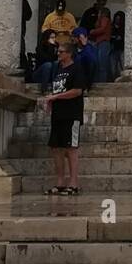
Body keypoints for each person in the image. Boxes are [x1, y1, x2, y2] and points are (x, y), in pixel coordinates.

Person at [43, 40, 87, 195]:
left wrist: (56, 97)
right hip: (58, 114)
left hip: (72, 113)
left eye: (61, 51)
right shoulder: (57, 69)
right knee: (56, 148)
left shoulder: (77, 69)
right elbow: (56, 89)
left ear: (69, 53)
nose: (58, 53)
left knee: (71, 148)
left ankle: (73, 183)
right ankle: (60, 182)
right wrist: (51, 101)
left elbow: (77, 91)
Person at [90, 7, 113, 83]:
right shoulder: (105, 20)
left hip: (103, 42)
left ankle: (101, 82)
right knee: (100, 63)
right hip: (100, 42)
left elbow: (102, 29)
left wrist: (92, 32)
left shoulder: (104, 19)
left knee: (101, 64)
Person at [109, 10, 126, 81]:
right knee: (113, 67)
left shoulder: (124, 28)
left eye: (119, 19)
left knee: (123, 66)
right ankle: (113, 80)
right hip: (113, 49)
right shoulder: (111, 27)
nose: (117, 20)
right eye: (116, 19)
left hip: (121, 49)